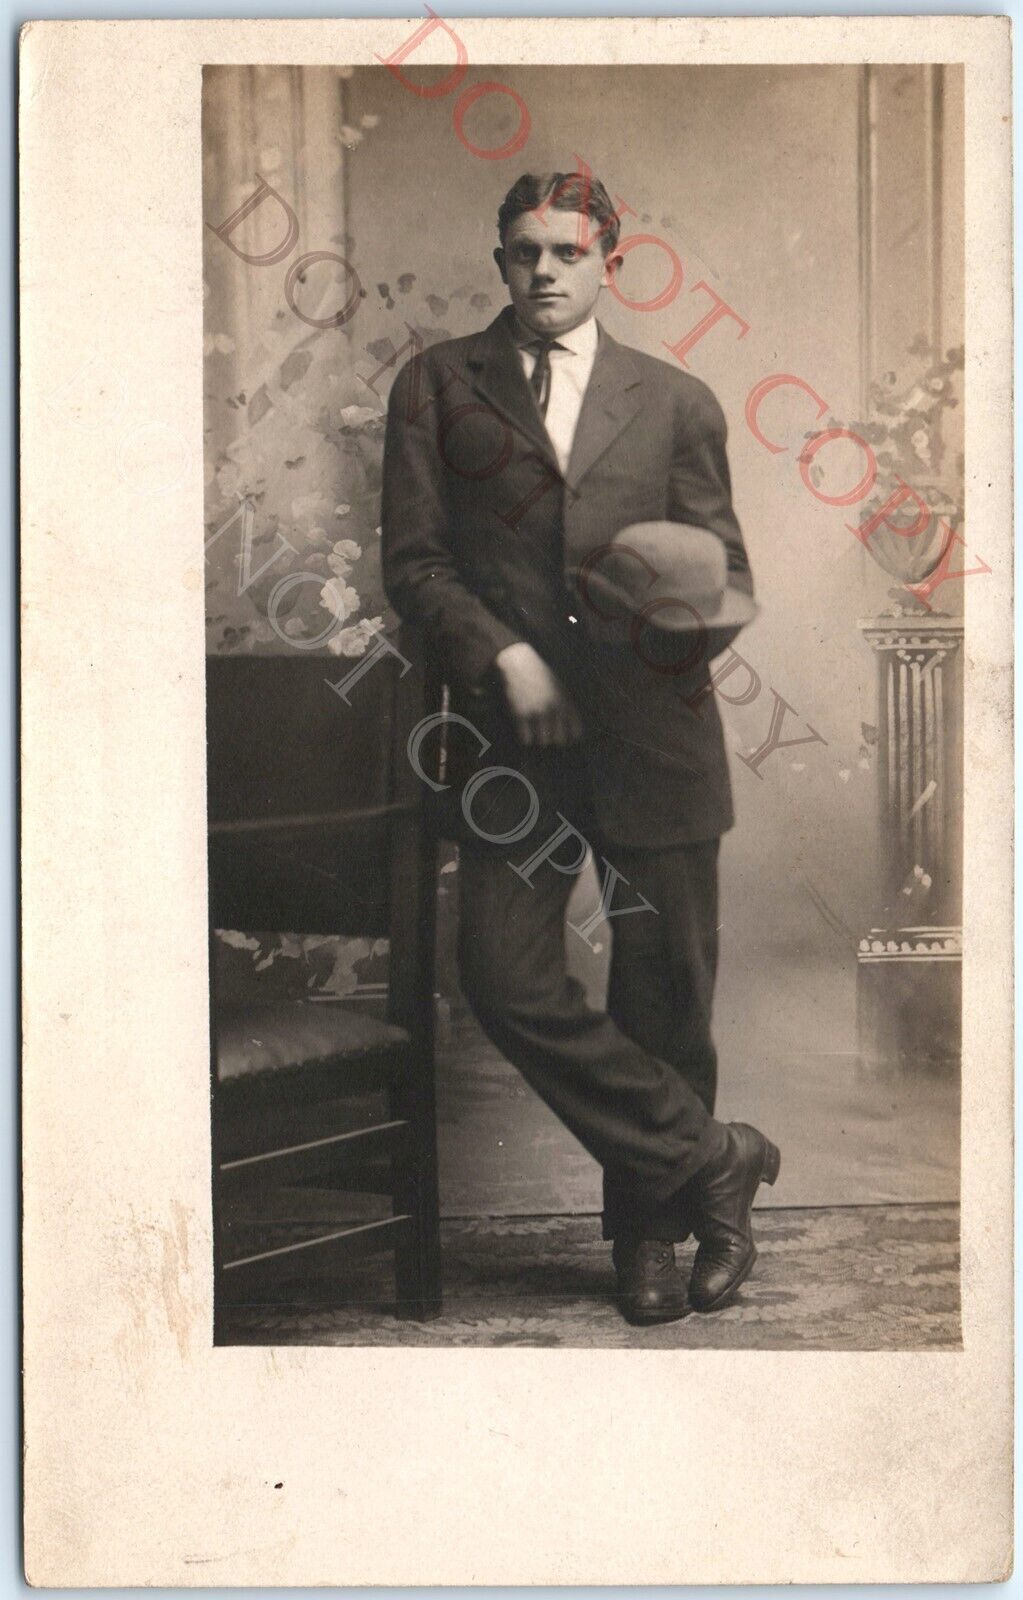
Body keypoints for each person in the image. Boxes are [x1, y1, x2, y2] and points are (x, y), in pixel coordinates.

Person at [381, 170, 779, 1324]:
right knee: (503, 976)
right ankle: (713, 1160)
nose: (543, 271)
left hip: (656, 741)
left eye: (565, 250)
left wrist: (662, 617)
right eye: (522, 252)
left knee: (666, 996)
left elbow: (728, 575)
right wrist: (502, 656)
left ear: (611, 258)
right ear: (498, 260)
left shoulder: (676, 400)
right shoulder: (436, 385)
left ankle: (647, 1241)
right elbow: (415, 565)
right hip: (514, 748)